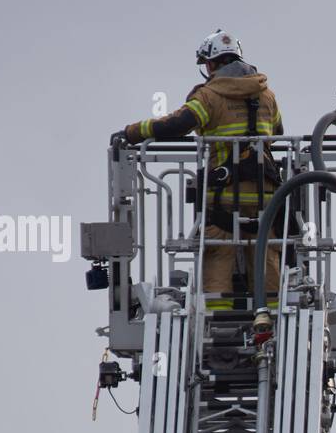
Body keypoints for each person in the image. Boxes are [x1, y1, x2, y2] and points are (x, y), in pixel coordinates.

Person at [112, 29, 283, 310]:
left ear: (211, 64)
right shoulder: (267, 95)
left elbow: (176, 124)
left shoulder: (209, 96)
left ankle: (218, 324)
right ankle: (272, 325)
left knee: (217, 259)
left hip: (224, 200)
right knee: (267, 261)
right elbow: (277, 132)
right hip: (265, 198)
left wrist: (132, 132)